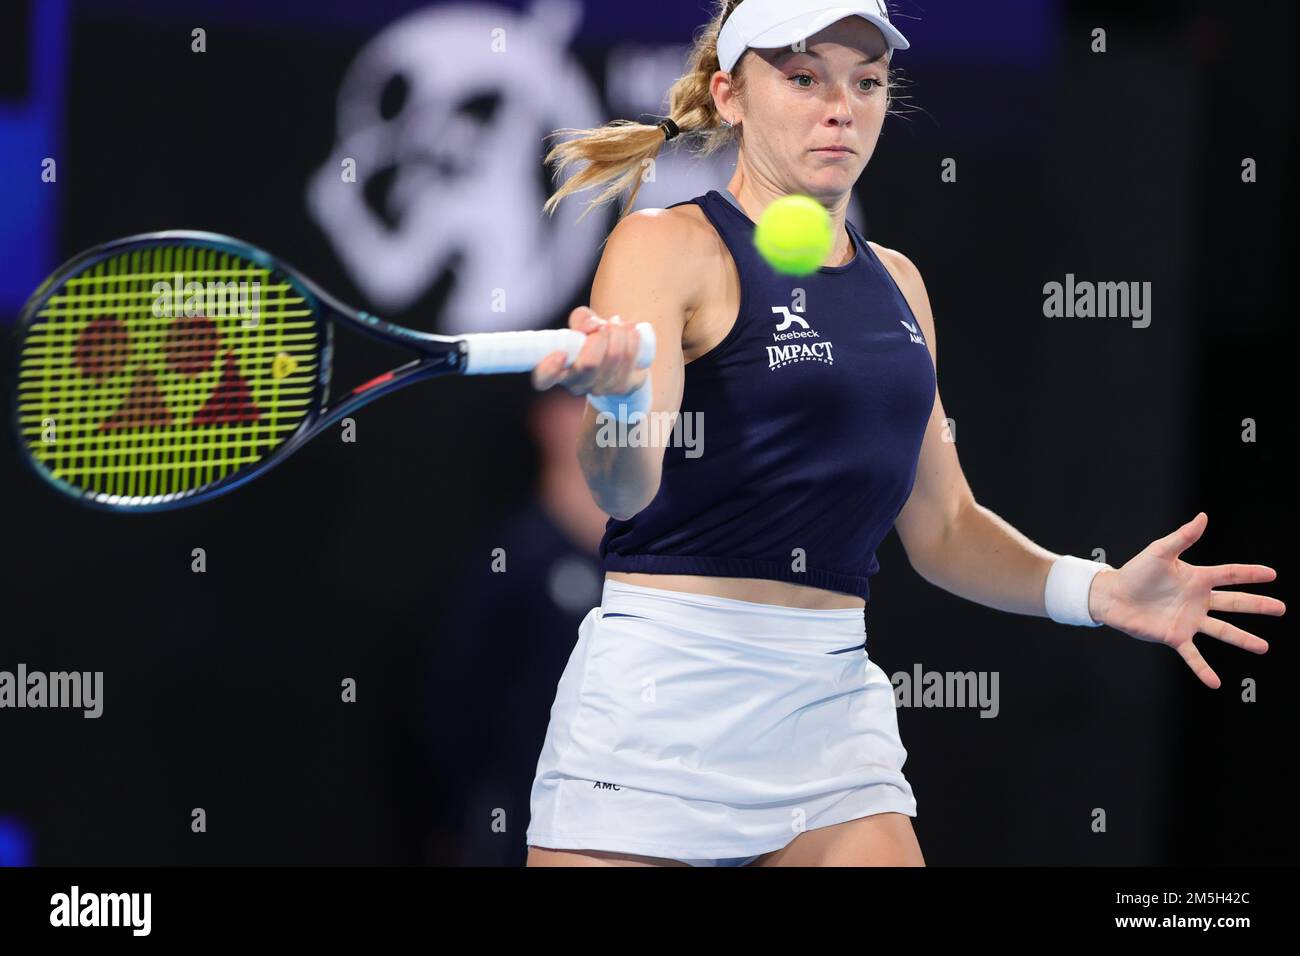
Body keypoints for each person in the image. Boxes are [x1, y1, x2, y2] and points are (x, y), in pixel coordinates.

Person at [523, 0, 1284, 867]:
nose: (840, 106)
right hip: (656, 708)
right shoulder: (664, 246)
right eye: (804, 79)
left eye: (868, 81)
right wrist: (617, 406)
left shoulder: (901, 285)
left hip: (829, 720)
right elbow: (622, 490)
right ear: (729, 96)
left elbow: (944, 528)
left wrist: (1096, 591)